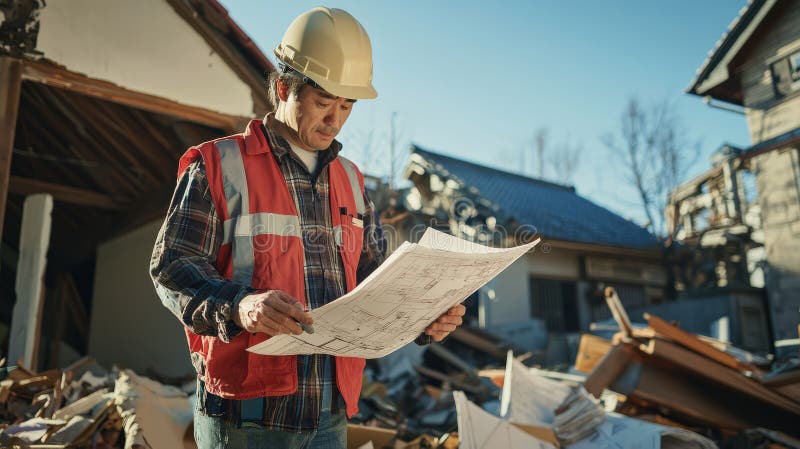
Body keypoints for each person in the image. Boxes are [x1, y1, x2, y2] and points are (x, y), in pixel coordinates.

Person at [149, 7, 465, 449]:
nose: (335, 120)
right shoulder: (218, 166)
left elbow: (374, 283)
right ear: (283, 88)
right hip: (246, 414)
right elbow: (171, 269)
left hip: (329, 412)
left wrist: (424, 316)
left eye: (347, 105)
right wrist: (240, 307)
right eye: (323, 102)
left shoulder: (353, 182)